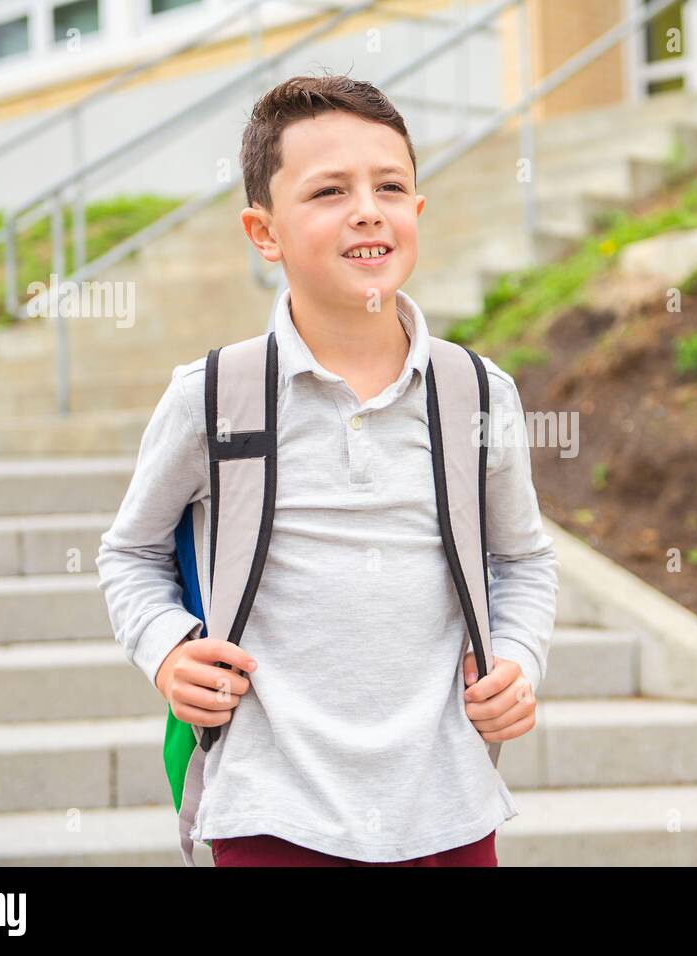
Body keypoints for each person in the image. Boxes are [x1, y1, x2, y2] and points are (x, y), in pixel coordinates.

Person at [96, 74, 559, 867]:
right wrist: (170, 652)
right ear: (263, 231)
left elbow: (523, 559)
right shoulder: (212, 396)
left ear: (417, 212)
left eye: (390, 185)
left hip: (448, 806)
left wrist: (517, 657)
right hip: (271, 811)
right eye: (328, 191)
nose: (368, 208)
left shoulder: (478, 393)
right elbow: (129, 553)